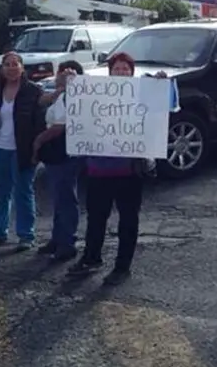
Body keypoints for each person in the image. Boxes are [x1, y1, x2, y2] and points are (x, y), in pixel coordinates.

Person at [66, 52, 168, 286]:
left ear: (132, 72)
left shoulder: (143, 92)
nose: (121, 72)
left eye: (126, 69)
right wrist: (71, 82)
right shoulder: (95, 93)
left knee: (128, 220)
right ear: (109, 71)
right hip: (98, 171)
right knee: (96, 219)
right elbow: (74, 110)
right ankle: (91, 258)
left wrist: (162, 85)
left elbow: (166, 107)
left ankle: (122, 266)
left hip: (129, 172)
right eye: (117, 68)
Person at [0, 51, 45, 251]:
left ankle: (26, 235)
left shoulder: (33, 91)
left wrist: (36, 149)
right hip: (0, 148)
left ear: (22, 68)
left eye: (15, 64)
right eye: (7, 64)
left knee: (23, 192)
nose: (11, 68)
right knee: (2, 192)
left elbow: (40, 123)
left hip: (23, 150)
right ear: (2, 69)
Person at [34, 60, 85, 262]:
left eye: (68, 73)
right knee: (58, 196)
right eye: (60, 72)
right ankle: (58, 238)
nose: (61, 75)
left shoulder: (74, 96)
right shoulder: (58, 94)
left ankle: (67, 243)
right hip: (55, 154)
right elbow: (40, 103)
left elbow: (60, 126)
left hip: (65, 152)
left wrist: (38, 141)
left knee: (66, 197)